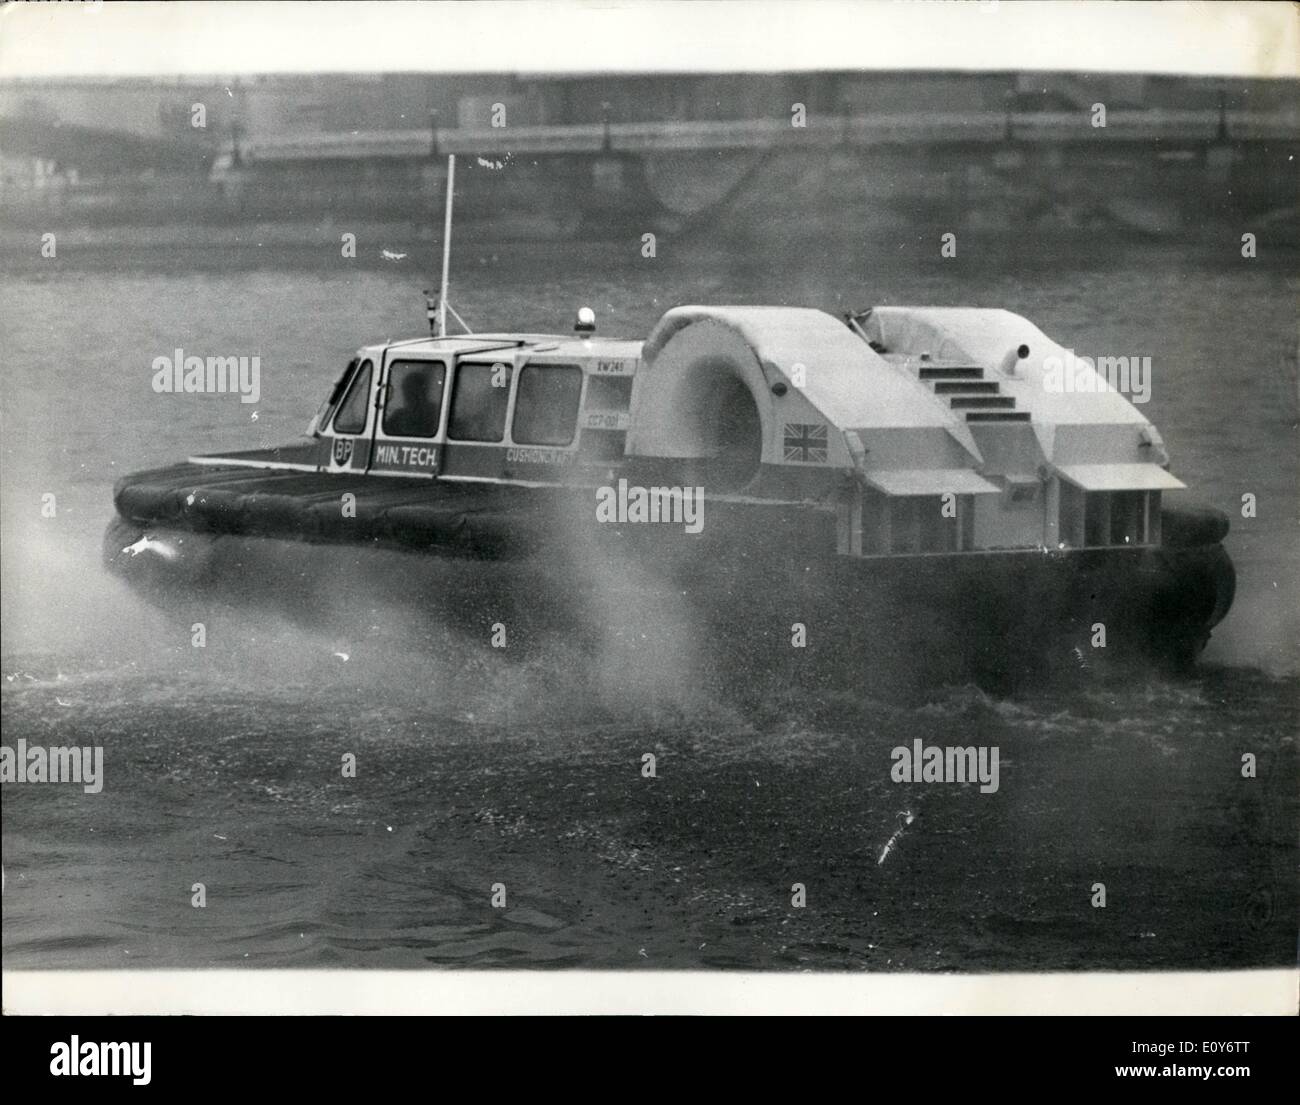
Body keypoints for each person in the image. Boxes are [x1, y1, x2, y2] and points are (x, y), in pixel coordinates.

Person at [385, 369, 440, 437]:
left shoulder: (435, 413)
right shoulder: (398, 416)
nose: (407, 395)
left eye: (412, 391)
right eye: (406, 391)